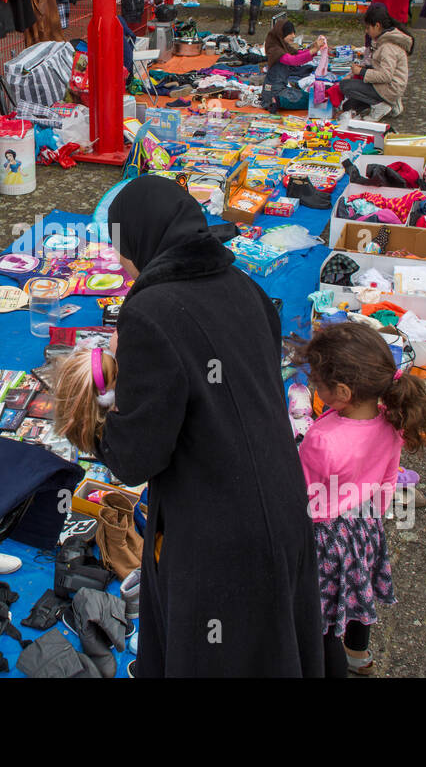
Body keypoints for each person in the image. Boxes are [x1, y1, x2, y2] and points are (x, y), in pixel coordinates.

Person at [92, 174, 324, 677]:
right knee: (274, 647)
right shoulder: (246, 287)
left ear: (139, 239)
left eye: (117, 246)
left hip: (221, 532)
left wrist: (97, 419)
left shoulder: (150, 313)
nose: (118, 261)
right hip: (281, 503)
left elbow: (137, 458)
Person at [286, 322, 426, 676]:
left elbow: (303, 497)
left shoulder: (322, 440)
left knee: (323, 606)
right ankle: (359, 657)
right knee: (357, 591)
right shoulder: (390, 422)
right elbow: (386, 479)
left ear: (341, 391)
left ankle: (321, 660)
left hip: (324, 536)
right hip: (365, 525)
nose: (314, 389)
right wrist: (372, 521)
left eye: (318, 384)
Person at [339, 2, 413, 120]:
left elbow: (385, 75)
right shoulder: (383, 40)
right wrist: (362, 70)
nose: (367, 31)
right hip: (387, 86)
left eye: (368, 27)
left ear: (377, 26)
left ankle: (381, 105)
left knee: (345, 86)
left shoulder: (388, 47)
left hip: (389, 87)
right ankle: (391, 103)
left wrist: (361, 72)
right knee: (349, 105)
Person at [263, 20, 326, 109]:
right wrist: (313, 50)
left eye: (294, 33)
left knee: (310, 97)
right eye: (290, 33)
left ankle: (278, 101)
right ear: (281, 34)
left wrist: (313, 50)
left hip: (282, 87)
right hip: (273, 91)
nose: (293, 36)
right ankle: (275, 101)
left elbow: (297, 54)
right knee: (309, 101)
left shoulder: (283, 46)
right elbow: (293, 60)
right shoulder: (275, 50)